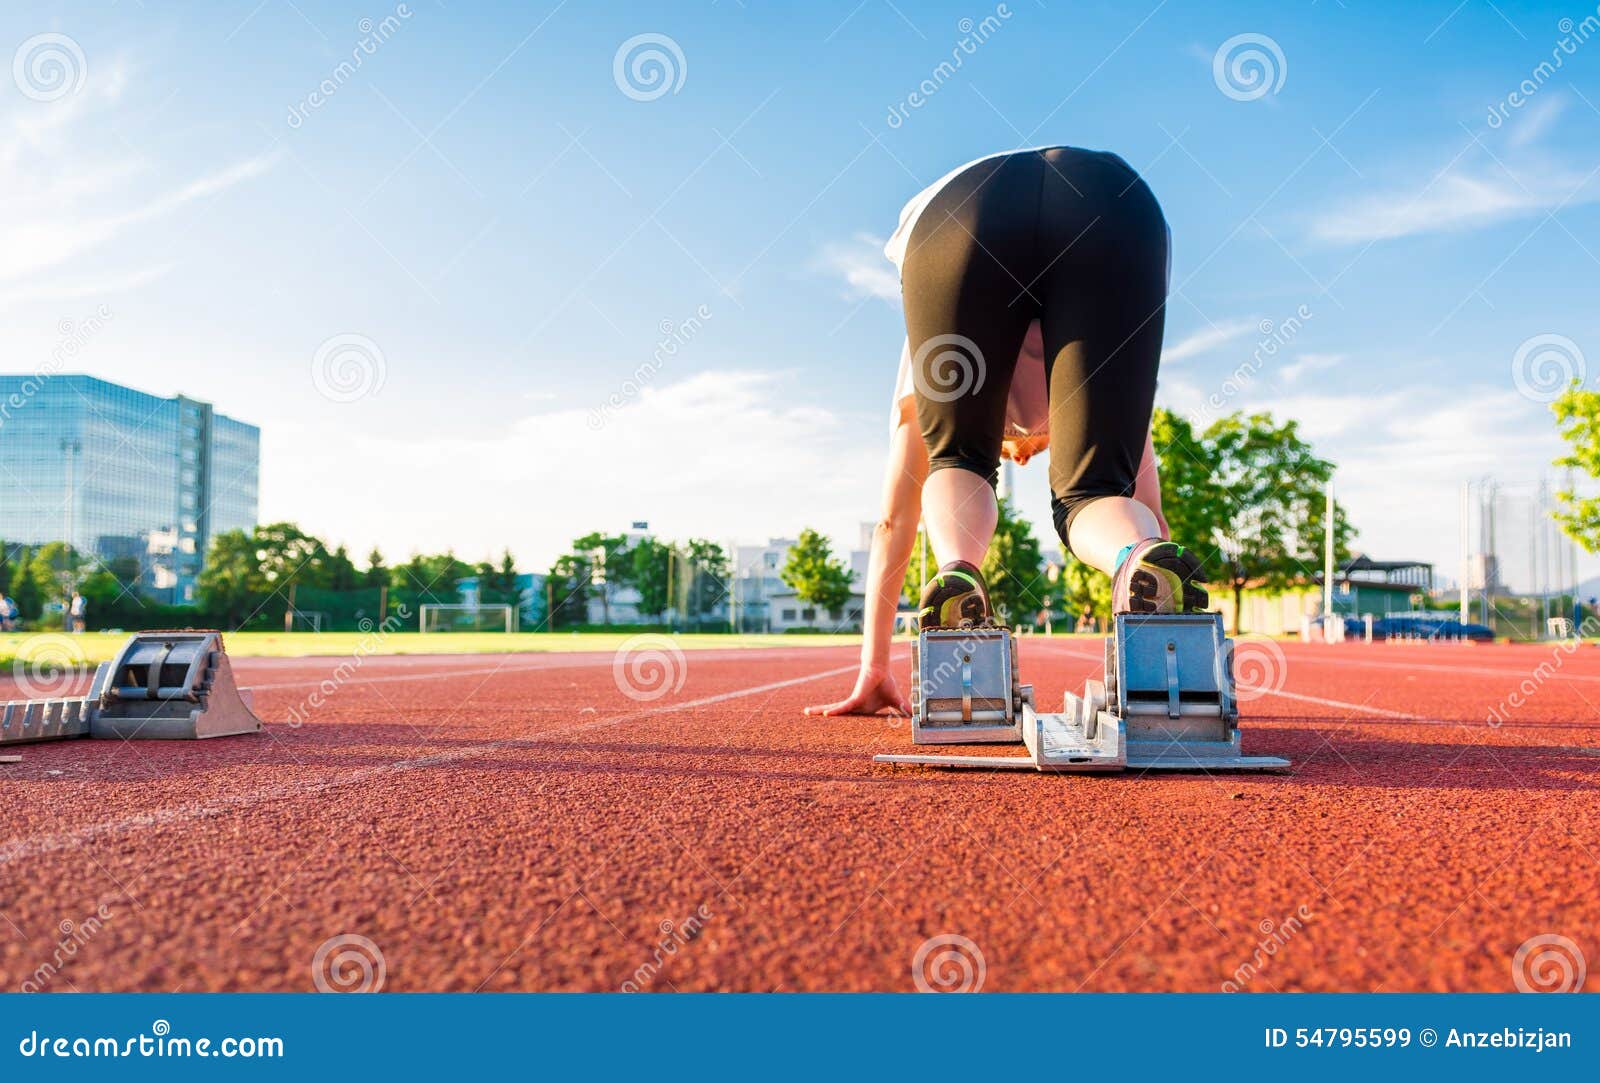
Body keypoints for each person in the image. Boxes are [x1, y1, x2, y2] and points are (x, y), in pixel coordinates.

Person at [807, 146, 1206, 718]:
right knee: (1094, 494)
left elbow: (896, 520)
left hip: (960, 211)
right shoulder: (1095, 393)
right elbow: (1148, 511)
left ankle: (957, 570)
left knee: (958, 463)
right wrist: (1141, 560)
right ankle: (1119, 553)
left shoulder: (936, 362)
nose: (1020, 457)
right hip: (1115, 203)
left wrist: (875, 667)